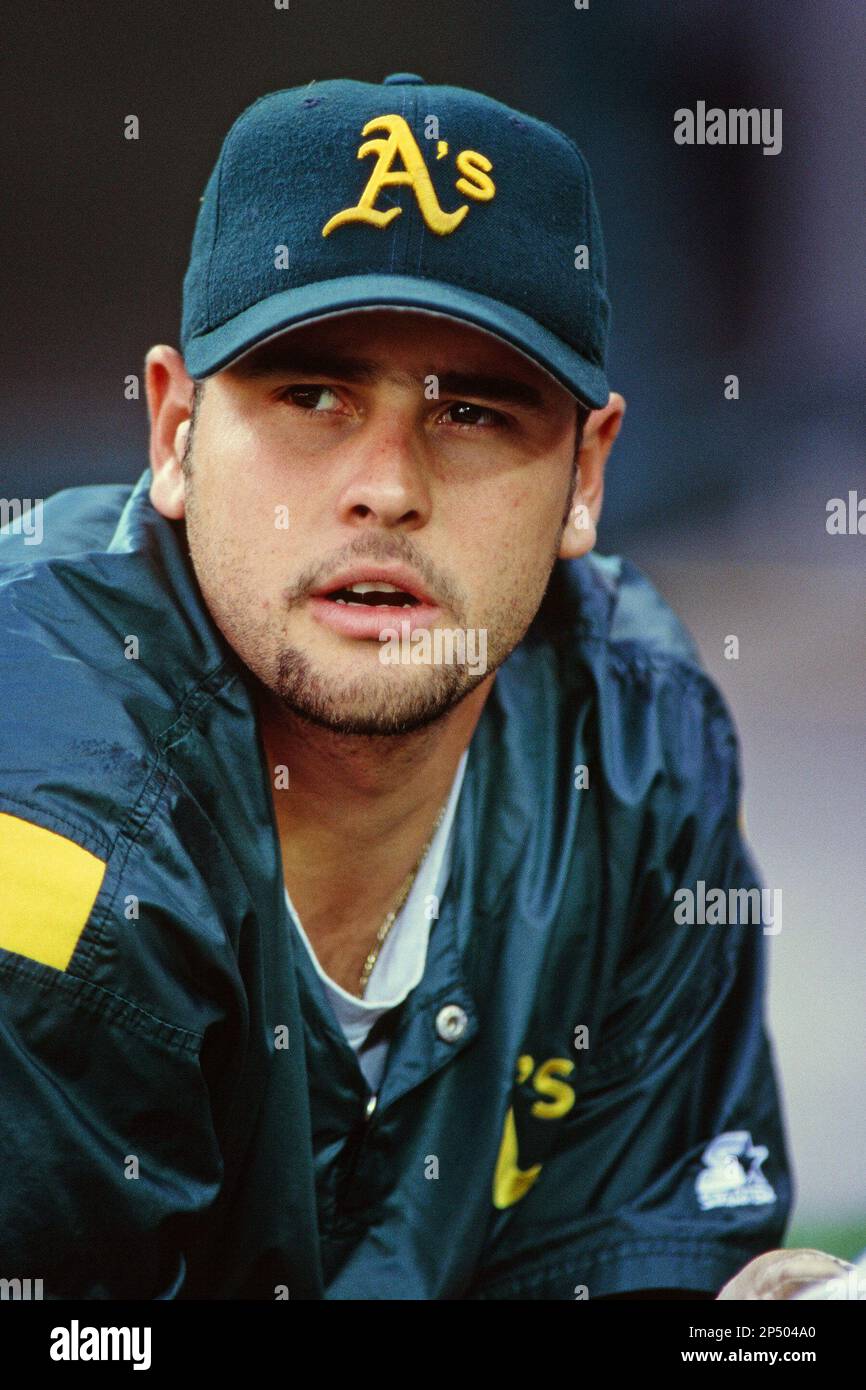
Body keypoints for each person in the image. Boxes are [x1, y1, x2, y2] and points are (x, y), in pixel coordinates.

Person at [0, 73, 794, 1299]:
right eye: (311, 394)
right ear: (175, 435)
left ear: (586, 477)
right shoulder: (39, 797)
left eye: (470, 411)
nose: (385, 485)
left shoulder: (636, 744)